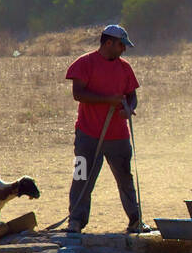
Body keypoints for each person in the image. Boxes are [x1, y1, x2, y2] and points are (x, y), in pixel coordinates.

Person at [64, 24, 149, 234]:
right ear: (108, 43)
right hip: (87, 136)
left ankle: (135, 220)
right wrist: (108, 101)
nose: (124, 50)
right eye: (121, 45)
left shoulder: (125, 68)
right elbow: (78, 94)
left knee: (125, 179)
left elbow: (132, 95)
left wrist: (129, 108)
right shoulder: (84, 63)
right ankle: (75, 221)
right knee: (81, 176)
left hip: (118, 137)